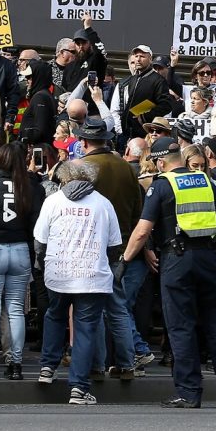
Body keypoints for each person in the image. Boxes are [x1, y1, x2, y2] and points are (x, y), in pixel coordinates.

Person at [121, 136, 216, 408]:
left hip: (177, 260)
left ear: (159, 161)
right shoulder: (205, 181)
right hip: (208, 259)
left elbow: (143, 230)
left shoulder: (161, 186)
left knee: (181, 327)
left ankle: (189, 392)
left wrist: (125, 260)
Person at [33, 159, 122, 405]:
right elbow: (115, 245)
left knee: (55, 315)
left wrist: (43, 262)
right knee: (85, 329)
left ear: (64, 178)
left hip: (59, 272)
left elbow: (39, 240)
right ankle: (78, 388)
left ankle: (47, 368)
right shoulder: (103, 204)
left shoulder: (53, 201)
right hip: (92, 275)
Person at [75, 117, 142, 378]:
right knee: (117, 306)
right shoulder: (125, 167)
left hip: (92, 245)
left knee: (92, 308)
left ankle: (97, 364)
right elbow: (138, 209)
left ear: (84, 142)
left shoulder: (83, 168)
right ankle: (126, 363)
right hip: (122, 244)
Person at [0, 144, 45, 380]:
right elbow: (37, 226)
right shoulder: (31, 187)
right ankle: (15, 364)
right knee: (16, 310)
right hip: (20, 248)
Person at [111, 45, 172, 141]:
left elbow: (166, 105)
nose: (138, 59)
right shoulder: (133, 79)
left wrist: (144, 117)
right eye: (136, 56)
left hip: (145, 134)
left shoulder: (158, 80)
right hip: (127, 133)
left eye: (142, 56)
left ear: (150, 59)